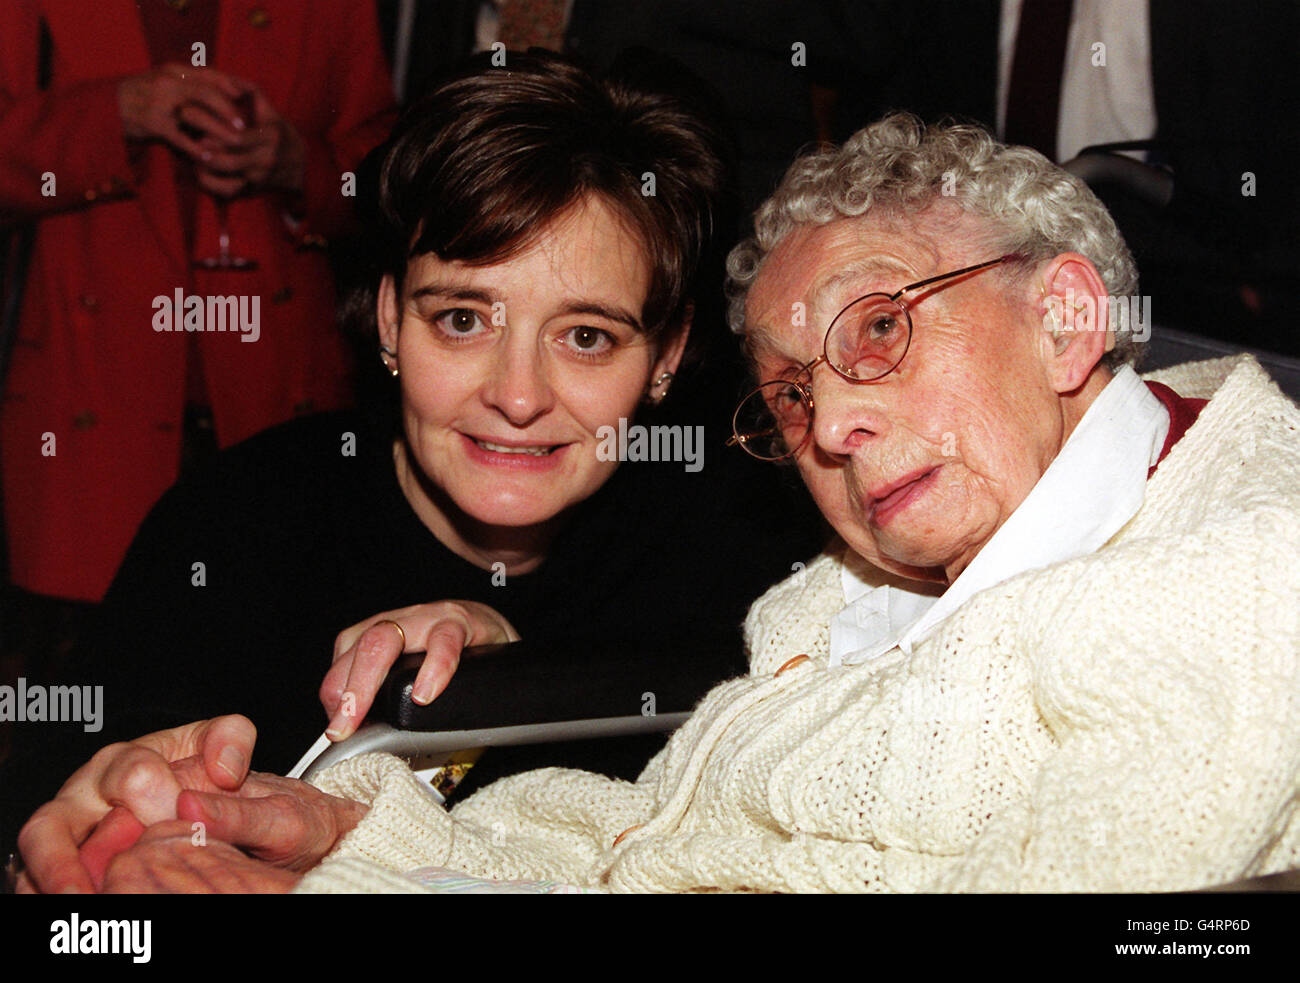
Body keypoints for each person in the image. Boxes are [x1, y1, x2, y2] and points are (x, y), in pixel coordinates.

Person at [19, 113, 1299, 894]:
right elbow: (654, 830)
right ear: (389, 327)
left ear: (1068, 316)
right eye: (790, 394)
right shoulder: (838, 587)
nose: (831, 426)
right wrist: (348, 827)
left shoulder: (1238, 570)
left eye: (880, 330)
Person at [0, 50, 822, 854]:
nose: (519, 393)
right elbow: (45, 825)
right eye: (463, 319)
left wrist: (508, 667)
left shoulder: (745, 550)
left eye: (585, 336)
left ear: (668, 353)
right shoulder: (235, 529)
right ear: (390, 318)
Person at [0, 0, 398, 606]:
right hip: (85, 415)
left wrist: (298, 164)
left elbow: (386, 173)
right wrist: (112, 112)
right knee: (84, 687)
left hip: (275, 408)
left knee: (271, 667)